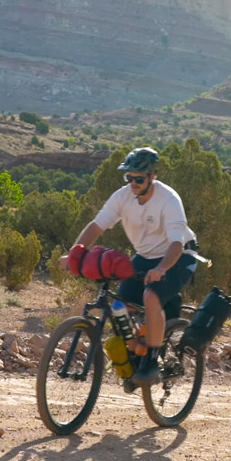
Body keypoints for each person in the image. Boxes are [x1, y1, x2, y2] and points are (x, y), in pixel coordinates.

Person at [69, 147, 197, 387]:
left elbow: (177, 243)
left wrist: (160, 269)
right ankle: (138, 346)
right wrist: (75, 253)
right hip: (145, 255)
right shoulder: (122, 196)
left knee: (151, 295)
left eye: (139, 178)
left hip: (178, 255)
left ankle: (150, 360)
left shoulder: (168, 199)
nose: (133, 183)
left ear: (152, 176)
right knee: (120, 303)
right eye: (129, 177)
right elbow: (97, 226)